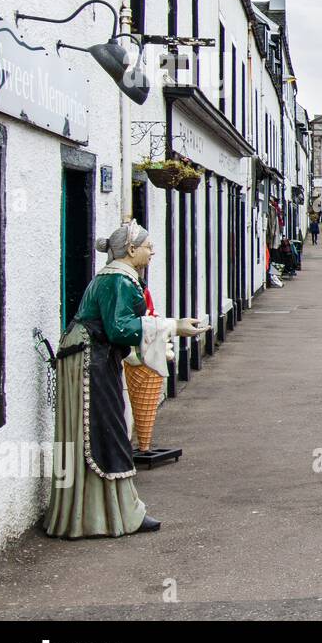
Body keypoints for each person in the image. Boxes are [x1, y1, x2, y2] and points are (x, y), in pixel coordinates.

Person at [45, 220, 207, 538]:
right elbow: (119, 327)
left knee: (101, 431)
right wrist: (173, 326)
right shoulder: (117, 279)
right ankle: (102, 514)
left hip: (93, 355)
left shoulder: (122, 277)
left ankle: (105, 511)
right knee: (102, 431)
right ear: (131, 250)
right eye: (148, 246)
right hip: (90, 358)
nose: (153, 250)